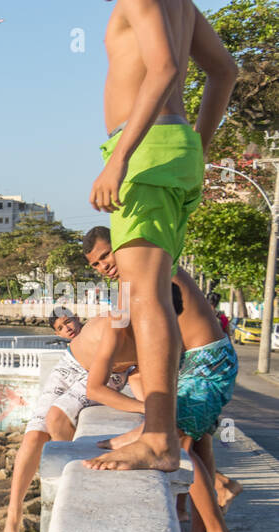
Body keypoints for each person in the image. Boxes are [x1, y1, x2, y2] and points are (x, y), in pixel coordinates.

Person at [84, 0, 237, 473]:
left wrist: (121, 156)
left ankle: (158, 438)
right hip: (169, 151)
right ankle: (160, 432)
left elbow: (166, 67)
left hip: (144, 151)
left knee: (143, 296)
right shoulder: (181, 4)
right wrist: (196, 146)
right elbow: (225, 72)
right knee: (147, 292)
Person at [85, 227, 238, 532]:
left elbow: (133, 329)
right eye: (95, 265)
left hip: (205, 361)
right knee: (199, 443)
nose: (103, 267)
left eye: (106, 255)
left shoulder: (148, 266)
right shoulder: (142, 271)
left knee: (177, 444)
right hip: (201, 361)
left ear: (121, 245)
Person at [1, 307, 141, 532]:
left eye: (69, 322)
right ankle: (14, 513)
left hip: (106, 373)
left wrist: (147, 408)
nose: (67, 328)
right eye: (61, 328)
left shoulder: (104, 328)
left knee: (57, 420)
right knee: (35, 434)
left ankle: (71, 486)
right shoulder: (81, 342)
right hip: (68, 367)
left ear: (78, 320)